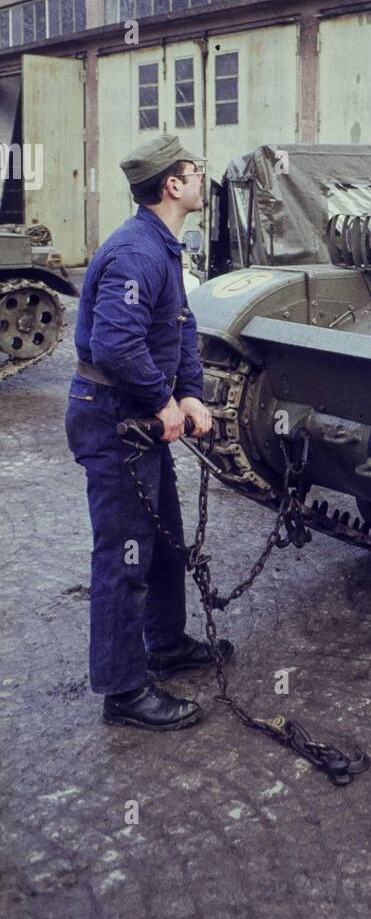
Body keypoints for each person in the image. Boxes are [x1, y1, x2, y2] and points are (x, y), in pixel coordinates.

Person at [65, 133, 232, 731]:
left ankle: (165, 643)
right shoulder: (136, 253)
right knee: (124, 552)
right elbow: (114, 344)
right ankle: (123, 692)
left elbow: (180, 327)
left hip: (138, 415)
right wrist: (162, 400)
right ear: (172, 184)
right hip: (113, 418)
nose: (200, 180)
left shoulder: (165, 246)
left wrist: (190, 391)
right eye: (194, 170)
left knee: (163, 540)